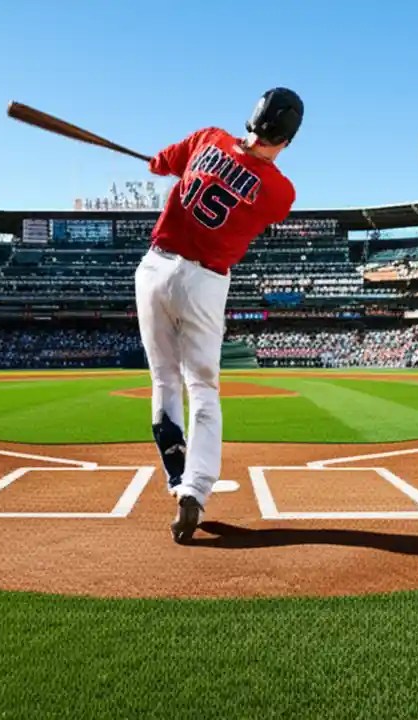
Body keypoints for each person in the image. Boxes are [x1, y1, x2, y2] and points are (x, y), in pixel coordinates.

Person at [135, 87, 302, 543]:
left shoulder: (207, 137)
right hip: (204, 283)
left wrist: (162, 162)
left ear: (251, 117)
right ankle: (195, 488)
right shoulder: (280, 191)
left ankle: (175, 475)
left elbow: (162, 162)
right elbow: (258, 190)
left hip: (153, 269)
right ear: (288, 139)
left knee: (163, 380)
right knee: (202, 388)